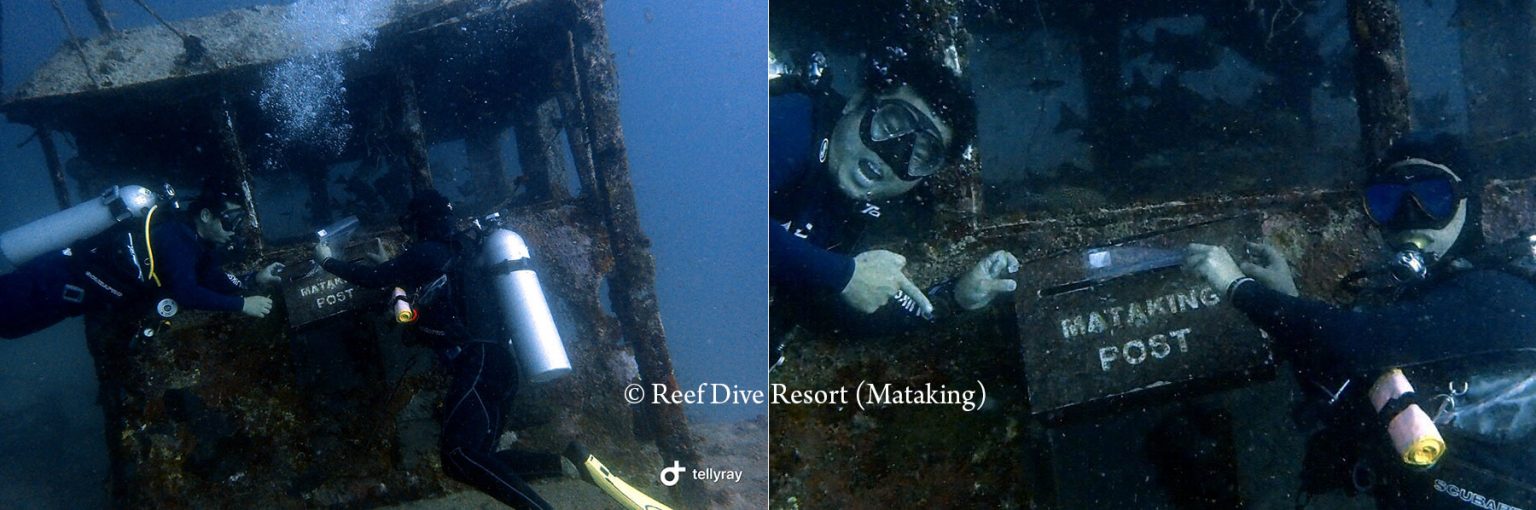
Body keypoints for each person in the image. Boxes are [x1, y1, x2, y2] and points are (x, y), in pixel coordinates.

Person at [1183, 133, 1536, 507]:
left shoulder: (1498, 292)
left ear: (1470, 205)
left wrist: (1239, 288)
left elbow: (1356, 344)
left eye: (1434, 197)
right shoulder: (1420, 301)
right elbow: (1345, 378)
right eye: (1388, 201)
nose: (1410, 215)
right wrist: (1288, 298)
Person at [313, 189, 570, 510]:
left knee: (458, 455)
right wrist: (397, 268)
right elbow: (427, 282)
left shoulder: (429, 252)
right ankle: (564, 463)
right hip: (502, 362)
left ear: (421, 221)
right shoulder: (467, 247)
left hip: (477, 363)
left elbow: (373, 277)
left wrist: (326, 260)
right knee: (481, 454)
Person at [769, 50, 1019, 353]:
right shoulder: (789, 122)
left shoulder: (855, 211)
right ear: (857, 102)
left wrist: (956, 297)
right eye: (890, 125)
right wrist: (840, 274)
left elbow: (839, 312)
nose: (892, 155)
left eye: (920, 155)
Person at [0, 189, 280, 339]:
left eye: (240, 223)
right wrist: (242, 305)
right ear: (206, 215)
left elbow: (210, 278)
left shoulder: (199, 245)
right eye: (231, 220)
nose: (235, 230)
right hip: (53, 280)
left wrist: (255, 280)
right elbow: (187, 293)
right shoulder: (175, 238)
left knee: (8, 329)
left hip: (66, 300)